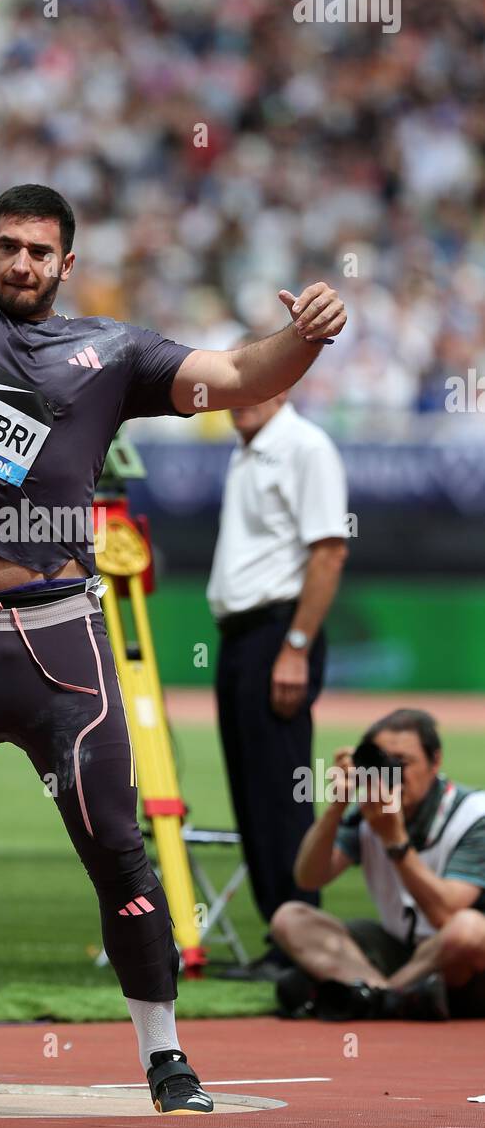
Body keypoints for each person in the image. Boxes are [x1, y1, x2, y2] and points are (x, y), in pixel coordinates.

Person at [0, 0, 347, 1117]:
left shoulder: (115, 353)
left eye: (38, 251)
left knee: (118, 851)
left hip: (61, 642)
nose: (18, 261)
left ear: (65, 260)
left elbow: (238, 377)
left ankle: (164, 1059)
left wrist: (299, 342)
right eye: (5, 244)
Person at [207, 391, 349, 981]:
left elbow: (329, 551)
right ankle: (280, 941)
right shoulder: (248, 449)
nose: (240, 401)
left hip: (278, 632)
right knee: (251, 788)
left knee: (281, 791)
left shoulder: (305, 446)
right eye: (233, 389)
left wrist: (295, 647)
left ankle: (300, 940)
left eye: (253, 386)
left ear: (283, 386)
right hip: (244, 635)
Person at [271, 708, 485, 1019]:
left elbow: (446, 916)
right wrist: (336, 808)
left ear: (435, 761)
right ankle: (392, 998)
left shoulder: (473, 816)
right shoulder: (367, 812)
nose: (392, 774)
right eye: (383, 763)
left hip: (462, 963)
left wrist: (395, 842)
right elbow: (308, 877)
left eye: (403, 762)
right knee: (290, 918)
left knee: (467, 930)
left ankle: (370, 995)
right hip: (401, 950)